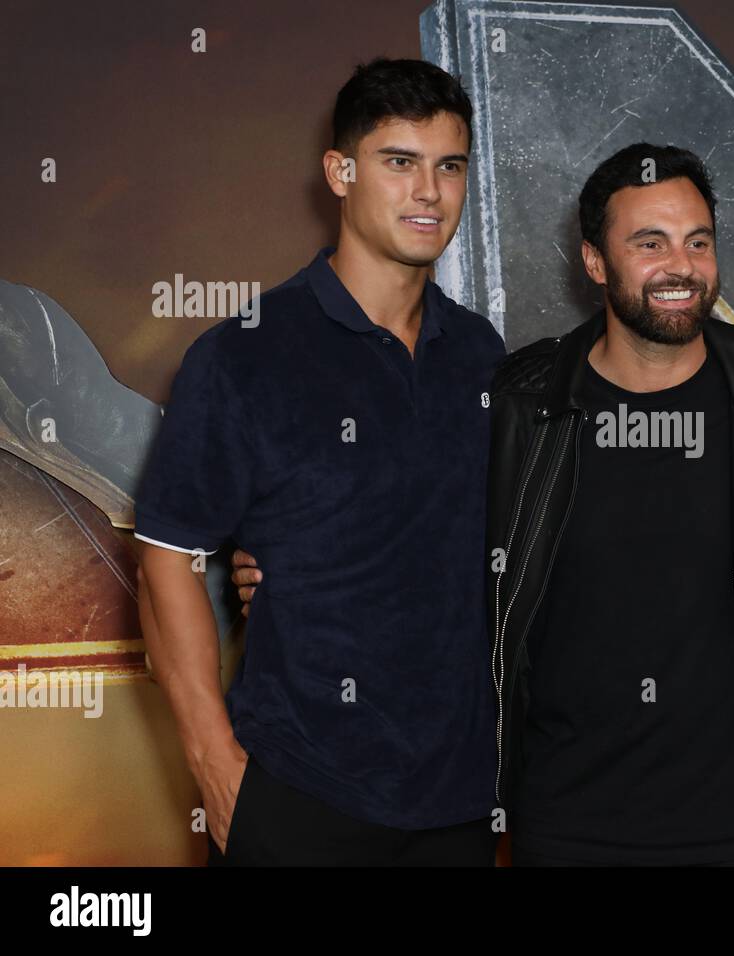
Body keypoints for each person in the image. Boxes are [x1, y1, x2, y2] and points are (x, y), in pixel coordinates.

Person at [239, 143, 734, 866]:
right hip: (564, 819)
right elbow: (426, 531)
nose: (680, 266)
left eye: (698, 242)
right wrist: (296, 568)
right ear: (595, 262)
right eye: (649, 243)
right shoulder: (523, 403)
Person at [135, 58, 501, 866]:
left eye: (450, 166)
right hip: (301, 792)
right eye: (399, 162)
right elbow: (167, 559)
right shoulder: (243, 355)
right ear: (340, 172)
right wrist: (214, 764)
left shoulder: (480, 353)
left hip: (461, 801)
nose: (429, 193)